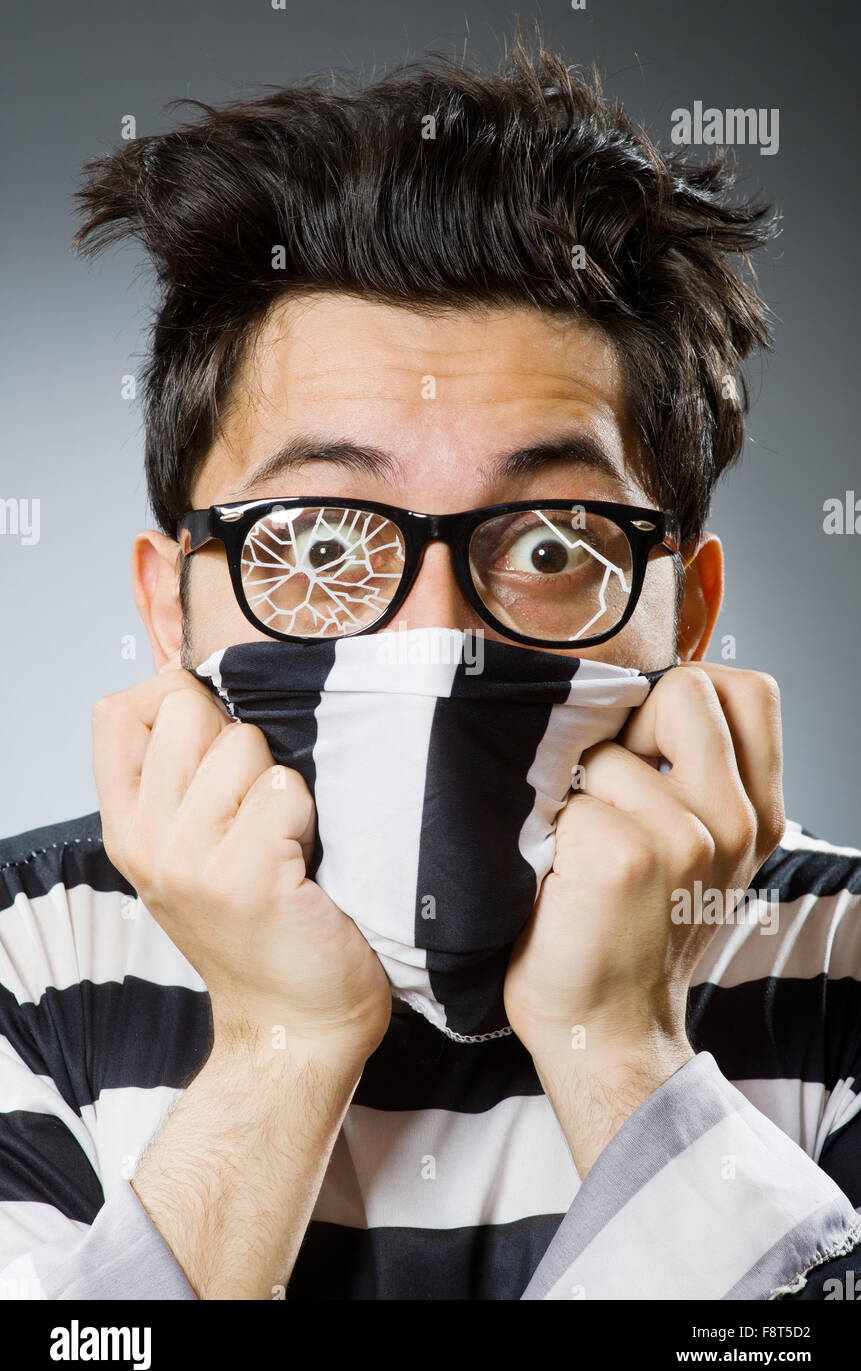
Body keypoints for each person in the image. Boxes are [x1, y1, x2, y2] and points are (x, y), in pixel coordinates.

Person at [1, 39, 858, 1301]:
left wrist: (617, 1049)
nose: (434, 630)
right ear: (170, 608)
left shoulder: (839, 955)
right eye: (321, 538)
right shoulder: (28, 952)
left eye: (553, 540)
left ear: (690, 613)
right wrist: (278, 1054)